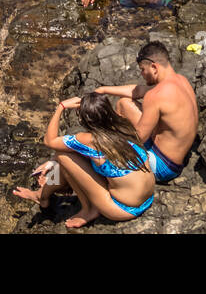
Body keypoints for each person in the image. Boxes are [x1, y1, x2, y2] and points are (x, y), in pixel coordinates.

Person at [13, 93, 154, 227]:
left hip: (122, 208)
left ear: (84, 120)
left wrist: (60, 107)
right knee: (62, 158)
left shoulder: (90, 139)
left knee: (62, 156)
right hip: (147, 199)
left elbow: (50, 141)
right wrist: (52, 162)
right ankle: (43, 193)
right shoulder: (122, 125)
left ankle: (88, 209)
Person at [95, 42, 198, 183]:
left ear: (154, 67)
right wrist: (103, 90)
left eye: (143, 69)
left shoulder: (156, 95)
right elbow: (137, 91)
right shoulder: (181, 81)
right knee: (124, 104)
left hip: (162, 167)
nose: (142, 74)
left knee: (98, 159)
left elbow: (139, 138)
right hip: (176, 157)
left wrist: (106, 137)